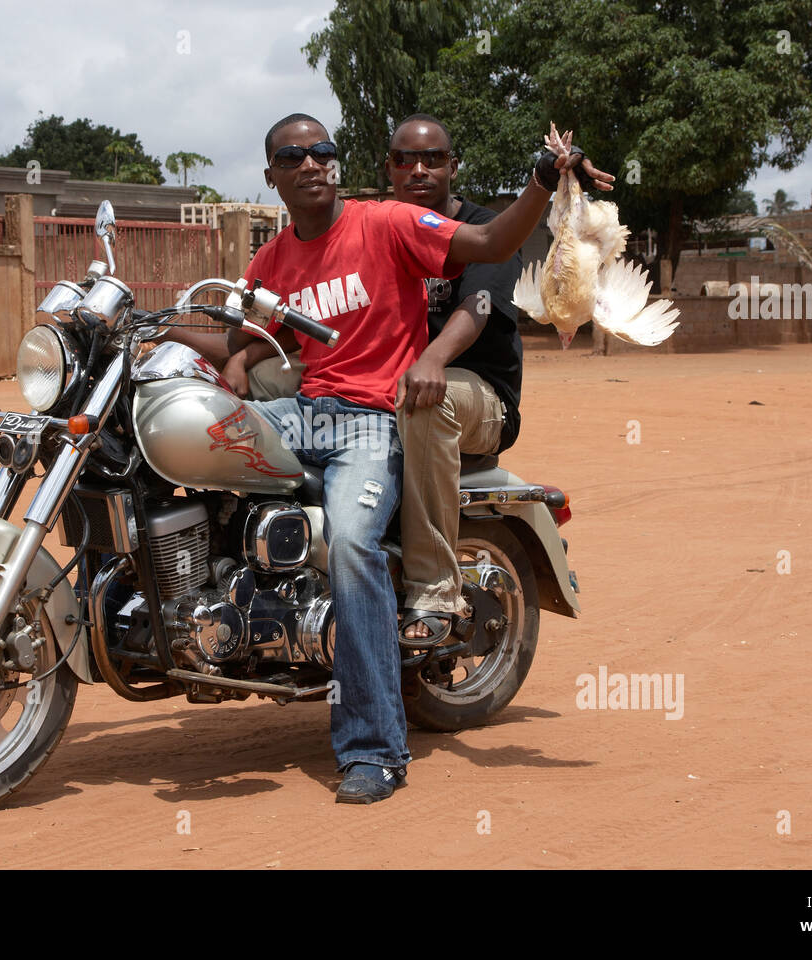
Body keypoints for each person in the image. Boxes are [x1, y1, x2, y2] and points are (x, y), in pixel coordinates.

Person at [224, 112, 599, 803]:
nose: (310, 163)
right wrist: (155, 342)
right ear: (270, 174)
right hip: (307, 410)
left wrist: (543, 180)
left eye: (321, 152)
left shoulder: (388, 223)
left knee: (351, 543)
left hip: (379, 417)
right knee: (200, 429)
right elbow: (246, 331)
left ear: (335, 164)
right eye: (292, 155)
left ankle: (374, 747)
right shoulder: (272, 260)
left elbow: (488, 245)